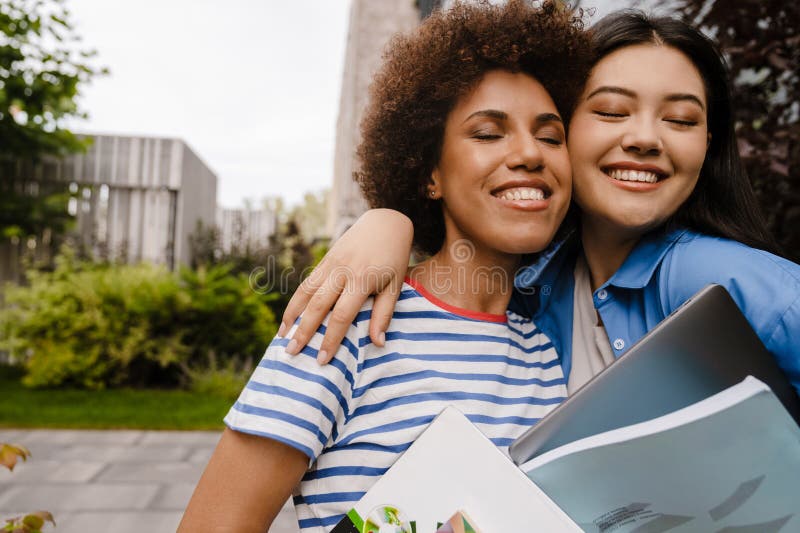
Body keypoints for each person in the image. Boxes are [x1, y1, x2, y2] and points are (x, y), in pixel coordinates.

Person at [178, 2, 592, 531]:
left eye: (551, 136)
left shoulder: (545, 353)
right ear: (429, 174)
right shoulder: (345, 317)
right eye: (489, 133)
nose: (531, 153)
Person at [280, 10, 800, 396]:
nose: (645, 138)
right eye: (613, 111)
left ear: (707, 146)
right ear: (564, 130)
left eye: (682, 120)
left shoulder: (722, 278)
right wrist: (388, 222)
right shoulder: (532, 290)